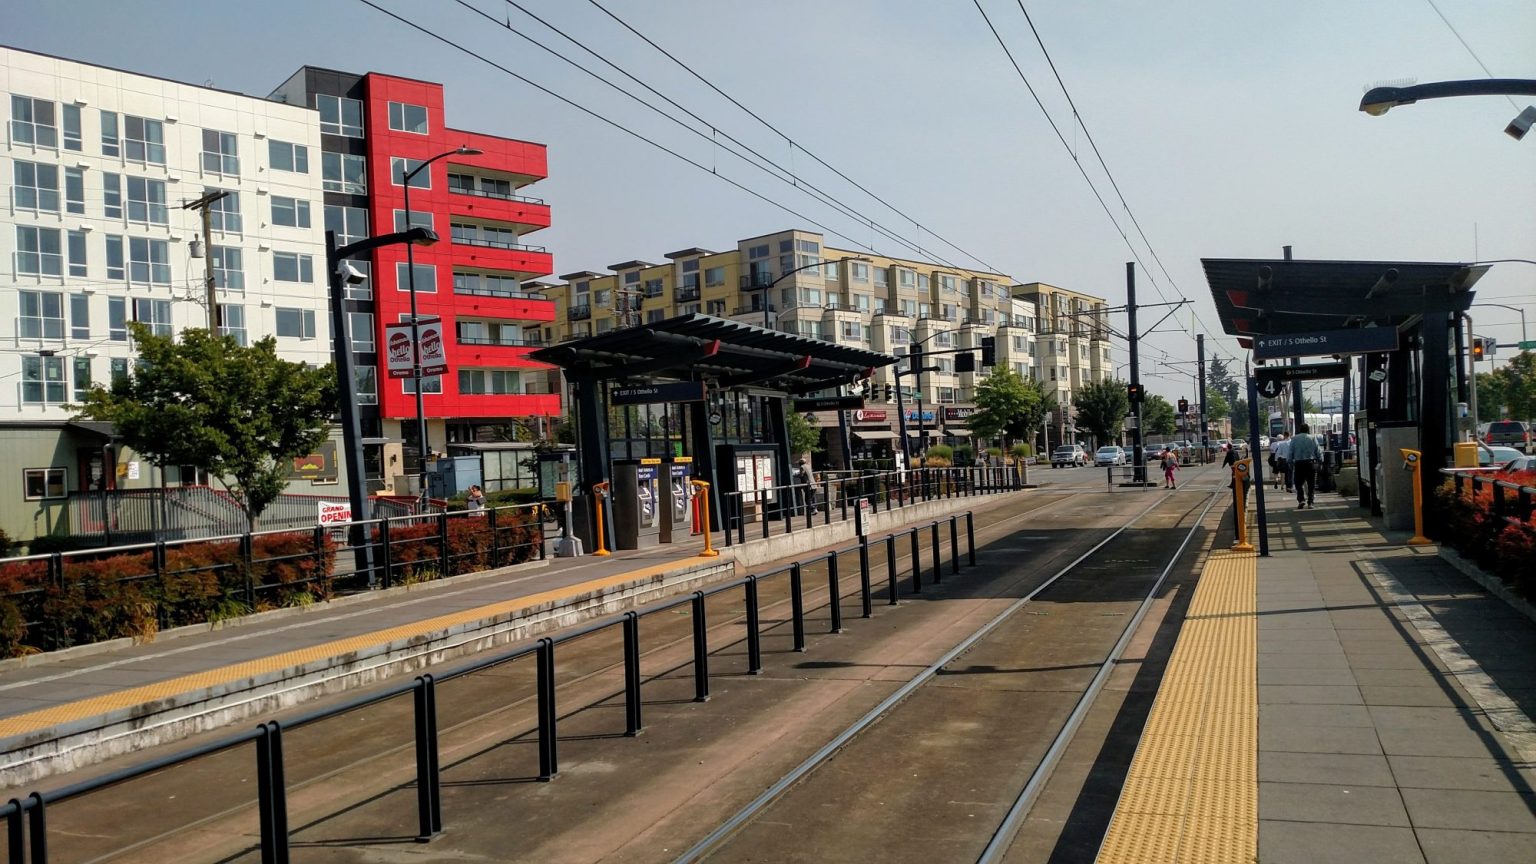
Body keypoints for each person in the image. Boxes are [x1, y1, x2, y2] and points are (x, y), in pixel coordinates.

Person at [1289, 423, 1322, 508]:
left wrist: (1290, 463)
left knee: (1298, 483)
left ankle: (1301, 500)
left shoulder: (1294, 439)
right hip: (1310, 463)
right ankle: (1310, 502)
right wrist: (1320, 462)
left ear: (1300, 430)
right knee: (1311, 484)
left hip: (1299, 463)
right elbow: (1318, 451)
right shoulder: (1312, 438)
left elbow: (1290, 452)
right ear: (1308, 430)